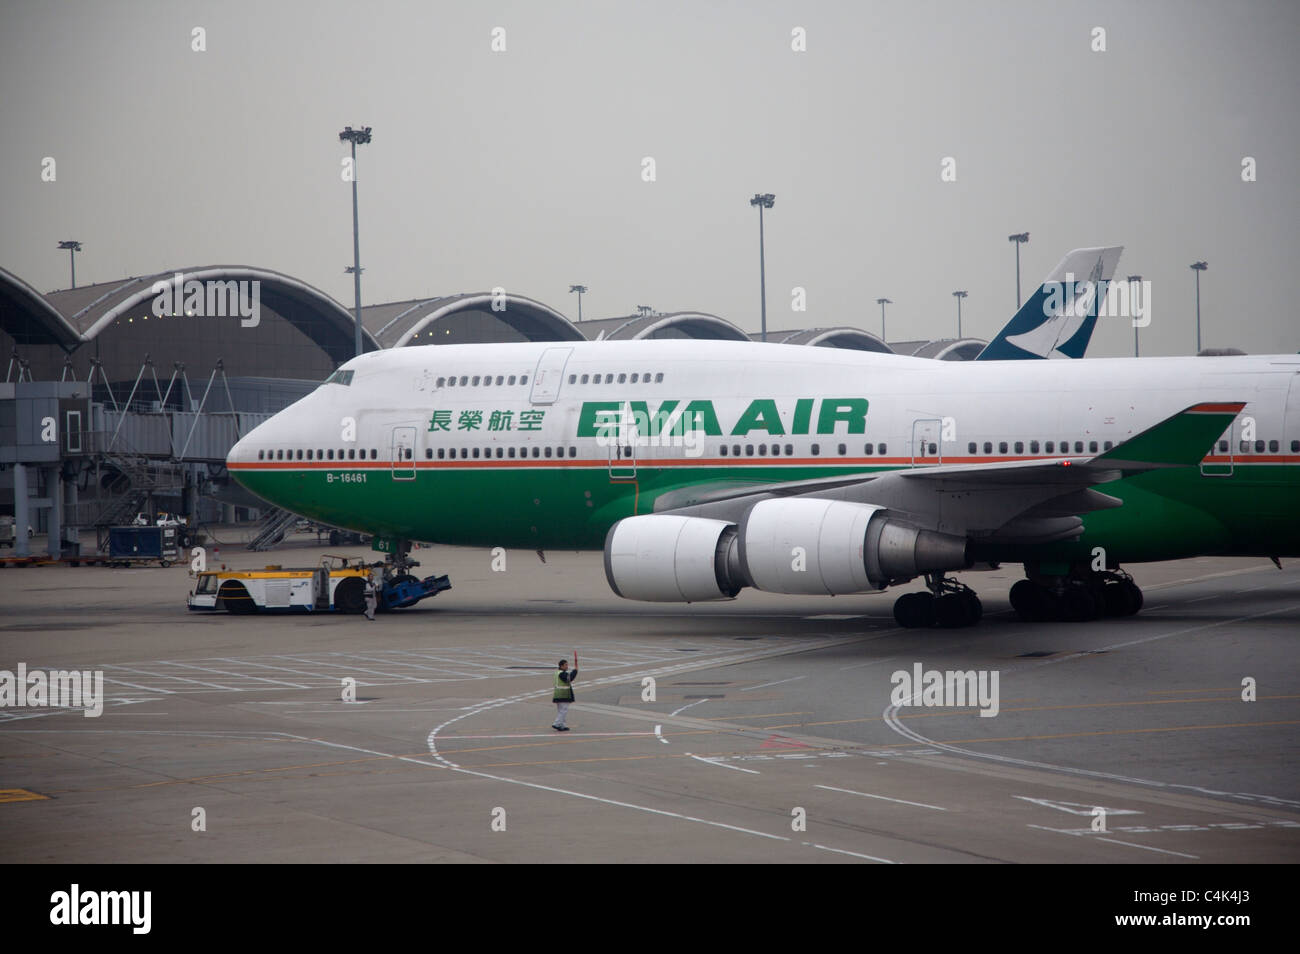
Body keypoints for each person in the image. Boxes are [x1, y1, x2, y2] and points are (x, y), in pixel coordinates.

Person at [552, 652, 578, 731]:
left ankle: (562, 725)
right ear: (561, 666)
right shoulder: (562, 674)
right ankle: (556, 723)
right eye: (566, 665)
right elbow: (569, 678)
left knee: (561, 710)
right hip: (563, 694)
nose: (567, 666)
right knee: (563, 710)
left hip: (558, 695)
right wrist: (575, 671)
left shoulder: (557, 673)